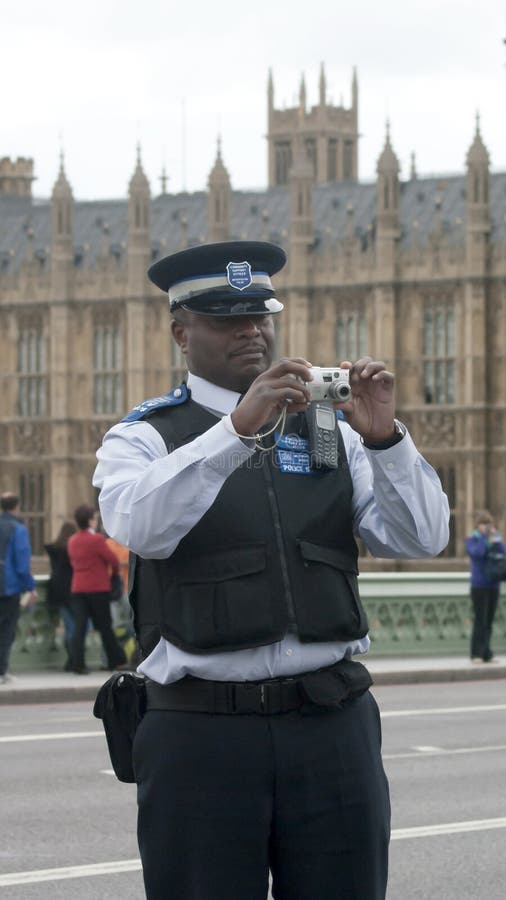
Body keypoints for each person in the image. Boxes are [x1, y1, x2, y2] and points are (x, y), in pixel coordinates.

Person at [93, 240, 450, 900]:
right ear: (181, 331)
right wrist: (236, 429)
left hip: (331, 725)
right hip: (201, 734)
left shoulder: (328, 429)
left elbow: (423, 536)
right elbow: (140, 527)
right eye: (228, 319)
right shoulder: (143, 437)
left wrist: (386, 439)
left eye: (261, 316)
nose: (252, 331)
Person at [67, 504, 127, 675]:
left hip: (78, 587)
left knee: (79, 627)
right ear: (91, 521)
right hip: (98, 587)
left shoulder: (72, 540)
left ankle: (77, 663)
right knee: (105, 626)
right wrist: (114, 574)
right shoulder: (97, 540)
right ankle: (115, 660)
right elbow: (113, 561)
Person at [0, 492, 37, 684]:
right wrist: (30, 587)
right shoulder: (18, 529)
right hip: (9, 587)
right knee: (6, 630)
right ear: (17, 507)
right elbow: (22, 564)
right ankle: (1, 671)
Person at [465, 511, 505, 663]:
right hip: (479, 586)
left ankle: (486, 652)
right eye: (484, 524)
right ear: (477, 526)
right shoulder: (472, 540)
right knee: (480, 620)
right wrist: (483, 538)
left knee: (489, 621)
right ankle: (476, 654)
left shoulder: (494, 540)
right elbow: (478, 554)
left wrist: (497, 540)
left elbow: (503, 554)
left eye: (489, 524)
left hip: (493, 585)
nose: (487, 527)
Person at [44, 520, 77, 671]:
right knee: (76, 626)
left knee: (68, 625)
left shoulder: (54, 549)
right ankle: (73, 659)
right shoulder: (72, 549)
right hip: (73, 589)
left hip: (57, 590)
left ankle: (71, 659)